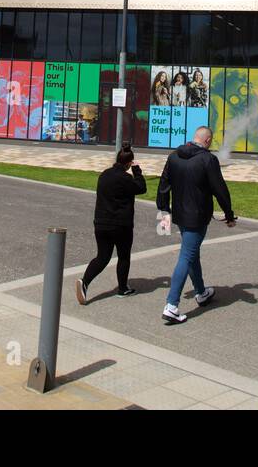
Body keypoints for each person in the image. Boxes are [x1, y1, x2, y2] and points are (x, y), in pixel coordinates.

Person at [156, 126, 236, 324]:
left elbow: (163, 185)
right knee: (187, 255)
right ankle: (171, 305)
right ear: (207, 141)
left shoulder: (174, 156)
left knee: (192, 254)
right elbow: (220, 189)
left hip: (180, 214)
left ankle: (201, 292)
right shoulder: (208, 159)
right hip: (197, 217)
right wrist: (229, 214)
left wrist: (164, 210)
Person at [76, 146, 147, 303]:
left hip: (101, 223)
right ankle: (122, 288)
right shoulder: (125, 179)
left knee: (102, 257)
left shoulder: (104, 175)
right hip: (121, 225)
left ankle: (85, 281)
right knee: (123, 256)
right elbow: (142, 188)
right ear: (129, 163)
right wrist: (137, 172)